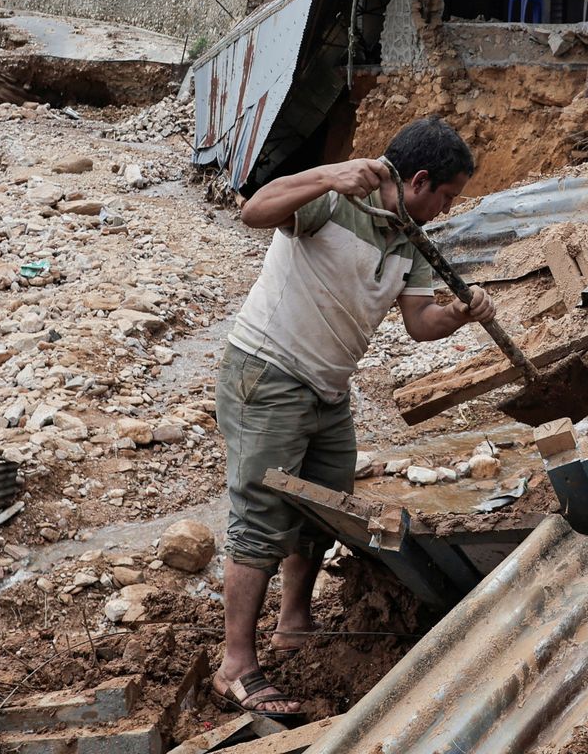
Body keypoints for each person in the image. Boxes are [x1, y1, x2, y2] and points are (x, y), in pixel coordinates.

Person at [209, 117, 494, 720]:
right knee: (261, 517)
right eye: (445, 197)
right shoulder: (337, 200)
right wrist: (325, 176)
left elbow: (419, 325)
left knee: (323, 506)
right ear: (418, 181)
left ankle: (294, 621)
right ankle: (236, 664)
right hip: (268, 374)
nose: (444, 210)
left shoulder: (408, 236)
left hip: (328, 390)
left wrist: (462, 314)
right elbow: (254, 211)